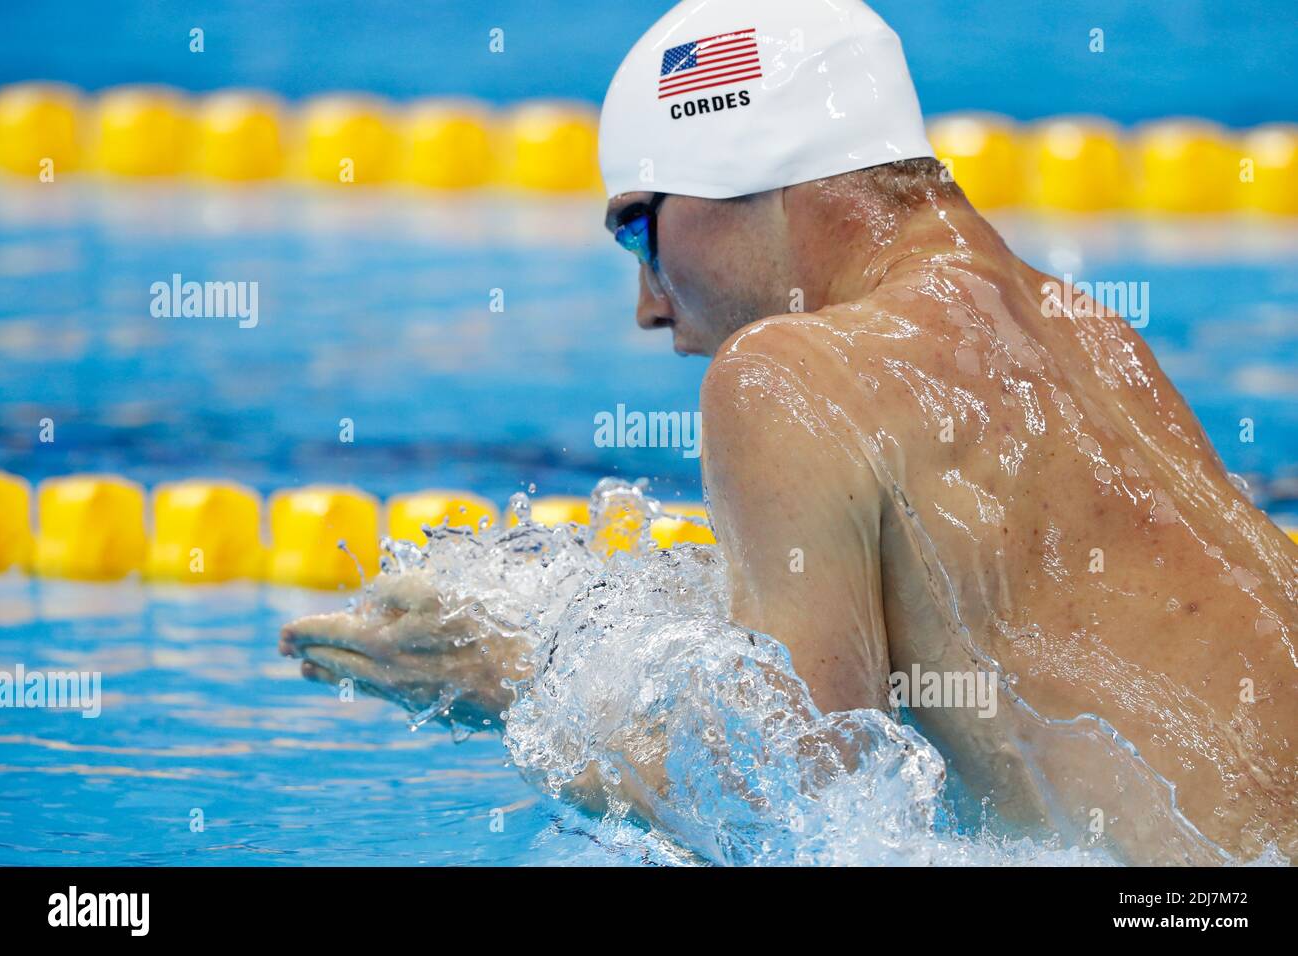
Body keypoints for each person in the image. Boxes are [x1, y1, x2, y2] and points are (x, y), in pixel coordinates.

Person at [281, 0, 1298, 864]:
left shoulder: (786, 371)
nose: (647, 303)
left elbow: (811, 821)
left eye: (638, 228)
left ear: (739, 172)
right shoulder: (1091, 333)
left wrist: (509, 681)